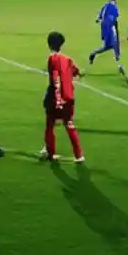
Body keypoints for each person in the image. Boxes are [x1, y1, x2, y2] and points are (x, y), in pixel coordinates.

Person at [40, 31, 85, 163]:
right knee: (69, 124)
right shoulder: (67, 59)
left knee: (50, 125)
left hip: (56, 97)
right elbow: (76, 71)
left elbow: (55, 78)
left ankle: (51, 153)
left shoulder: (52, 58)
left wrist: (56, 99)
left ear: (49, 44)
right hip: (69, 97)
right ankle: (79, 155)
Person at [88, 0, 125, 77]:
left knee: (107, 46)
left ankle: (93, 53)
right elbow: (112, 19)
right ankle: (120, 65)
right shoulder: (113, 7)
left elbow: (100, 17)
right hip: (110, 29)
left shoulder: (107, 6)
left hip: (106, 29)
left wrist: (99, 20)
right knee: (116, 46)